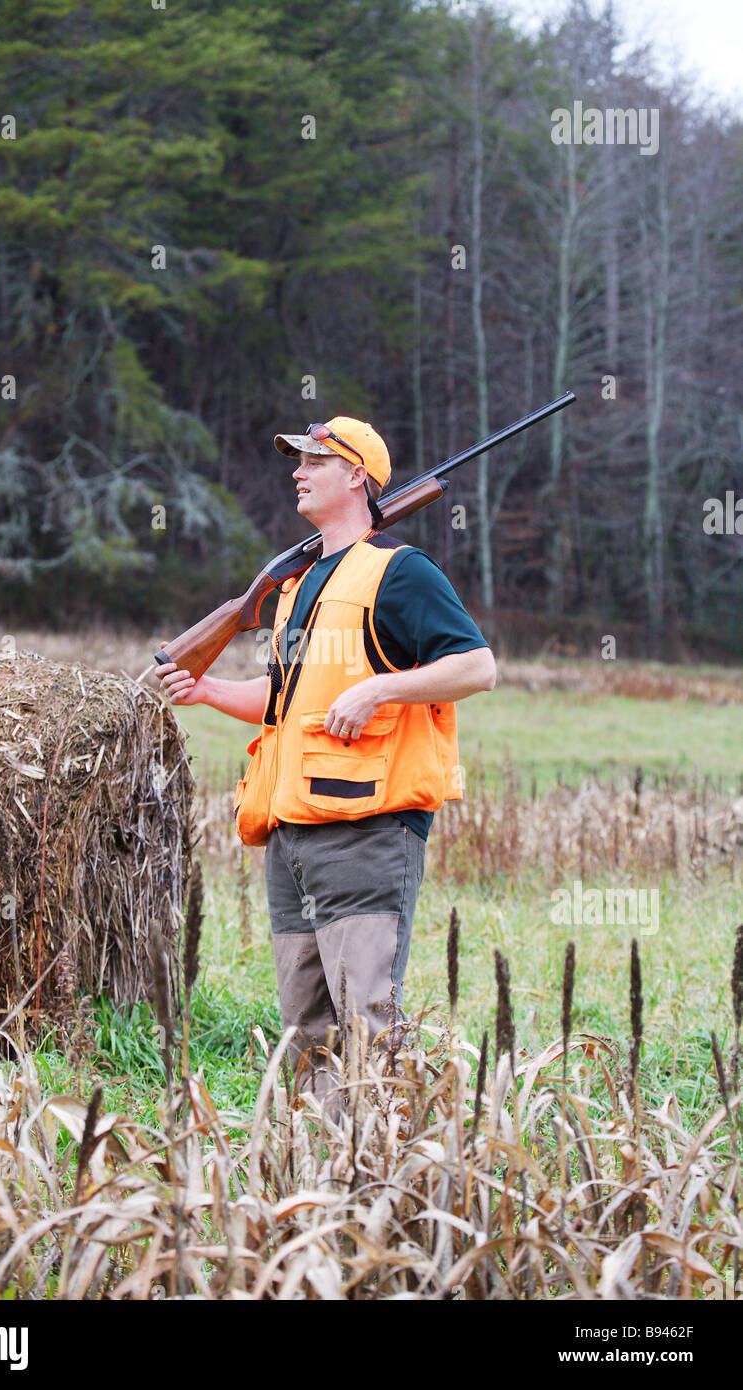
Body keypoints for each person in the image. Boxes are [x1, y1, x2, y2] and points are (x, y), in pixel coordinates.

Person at [156, 416, 495, 1102]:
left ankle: (389, 1182)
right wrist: (208, 689)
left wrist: (382, 687)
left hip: (365, 829)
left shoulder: (400, 571)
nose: (297, 471)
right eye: (297, 460)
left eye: (314, 460)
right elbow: (287, 698)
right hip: (291, 833)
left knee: (367, 1017)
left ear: (356, 477)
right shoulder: (296, 588)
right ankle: (319, 1178)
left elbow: (476, 666)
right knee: (306, 1029)